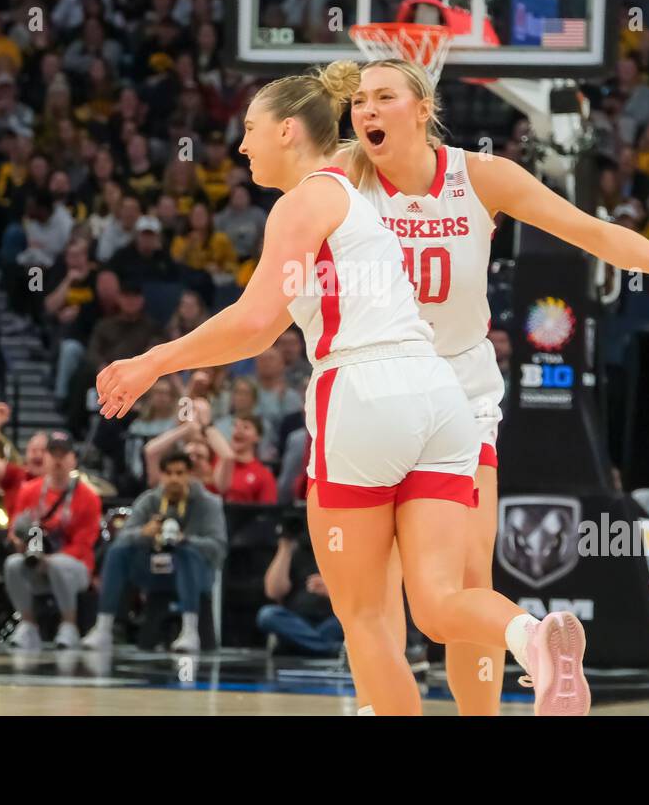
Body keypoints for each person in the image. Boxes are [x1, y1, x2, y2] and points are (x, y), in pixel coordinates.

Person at [95, 63, 585, 715]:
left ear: (289, 130)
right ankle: (530, 635)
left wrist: (155, 360)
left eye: (249, 130)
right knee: (439, 603)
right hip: (441, 396)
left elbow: (255, 324)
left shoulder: (307, 200)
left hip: (362, 392)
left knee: (368, 619)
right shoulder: (363, 202)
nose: (241, 147)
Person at [334, 58, 649, 713]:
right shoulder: (340, 179)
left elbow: (587, 230)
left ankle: (496, 679)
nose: (366, 110)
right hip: (374, 394)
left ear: (422, 108)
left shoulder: (479, 176)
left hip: (457, 397)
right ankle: (397, 698)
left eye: (384, 96)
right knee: (386, 587)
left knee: (458, 581)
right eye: (359, 100)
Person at [83, 448, 227, 653]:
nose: (174, 479)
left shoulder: (209, 503)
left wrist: (185, 540)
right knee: (117, 552)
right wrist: (143, 533)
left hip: (193, 571)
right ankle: (103, 627)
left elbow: (218, 547)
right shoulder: (149, 500)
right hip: (154, 568)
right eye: (168, 473)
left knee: (187, 553)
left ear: (190, 475)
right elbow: (123, 537)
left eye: (180, 473)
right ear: (161, 475)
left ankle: (190, 631)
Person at [3, 432, 101, 650]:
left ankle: (69, 625)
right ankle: (28, 624)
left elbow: (84, 544)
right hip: (36, 560)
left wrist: (50, 559)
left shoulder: (88, 497)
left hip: (75, 566)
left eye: (63, 455)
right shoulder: (29, 491)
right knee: (12, 564)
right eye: (52, 454)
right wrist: (19, 541)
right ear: (45, 458)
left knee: (57, 565)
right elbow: (15, 527)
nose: (58, 460)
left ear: (73, 459)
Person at [258, 511, 343, 656]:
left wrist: (333, 591)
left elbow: (360, 597)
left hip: (332, 619)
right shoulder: (294, 550)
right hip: (297, 620)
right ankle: (328, 648)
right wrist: (285, 546)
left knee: (355, 620)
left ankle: (304, 645)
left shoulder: (341, 549)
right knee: (267, 615)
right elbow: (273, 591)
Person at [212, 416, 277, 504]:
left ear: (258, 437)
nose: (239, 430)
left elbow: (267, 512)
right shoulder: (216, 461)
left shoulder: (264, 475)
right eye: (235, 426)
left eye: (246, 427)